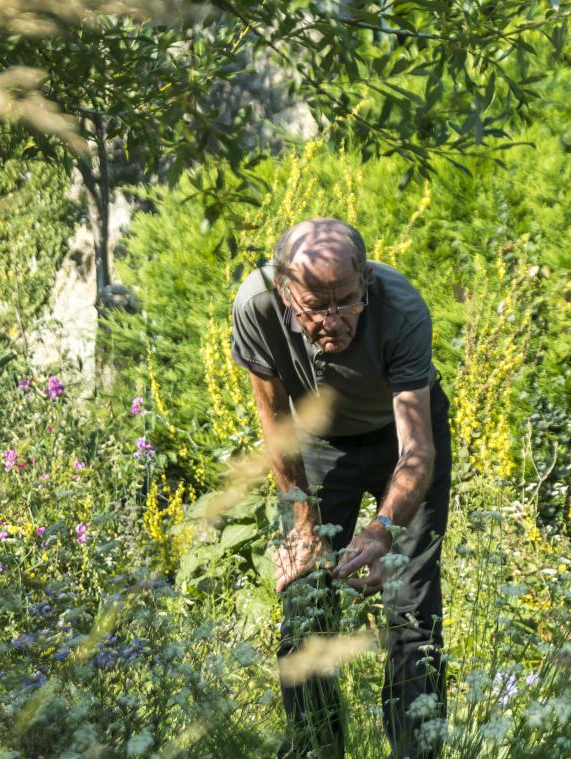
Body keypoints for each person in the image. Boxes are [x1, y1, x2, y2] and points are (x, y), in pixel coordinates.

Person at [230, 218, 452, 759]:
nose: (333, 320)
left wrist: (382, 533)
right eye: (315, 306)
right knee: (306, 602)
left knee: (412, 613)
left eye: (347, 302)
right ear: (285, 292)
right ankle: (316, 747)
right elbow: (276, 420)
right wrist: (304, 527)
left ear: (366, 279)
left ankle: (415, 753)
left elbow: (417, 451)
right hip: (318, 445)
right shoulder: (256, 305)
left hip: (400, 443)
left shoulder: (401, 310)